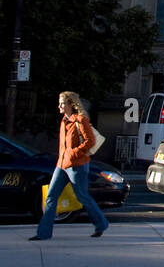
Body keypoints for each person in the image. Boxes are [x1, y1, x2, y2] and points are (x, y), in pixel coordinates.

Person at [30, 91, 110, 241]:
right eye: (59, 103)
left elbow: (90, 141)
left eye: (62, 103)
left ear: (70, 104)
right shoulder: (64, 121)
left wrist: (74, 153)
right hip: (61, 164)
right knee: (50, 197)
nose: (59, 105)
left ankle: (101, 223)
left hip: (77, 165)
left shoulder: (80, 120)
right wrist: (63, 157)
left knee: (82, 197)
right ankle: (44, 233)